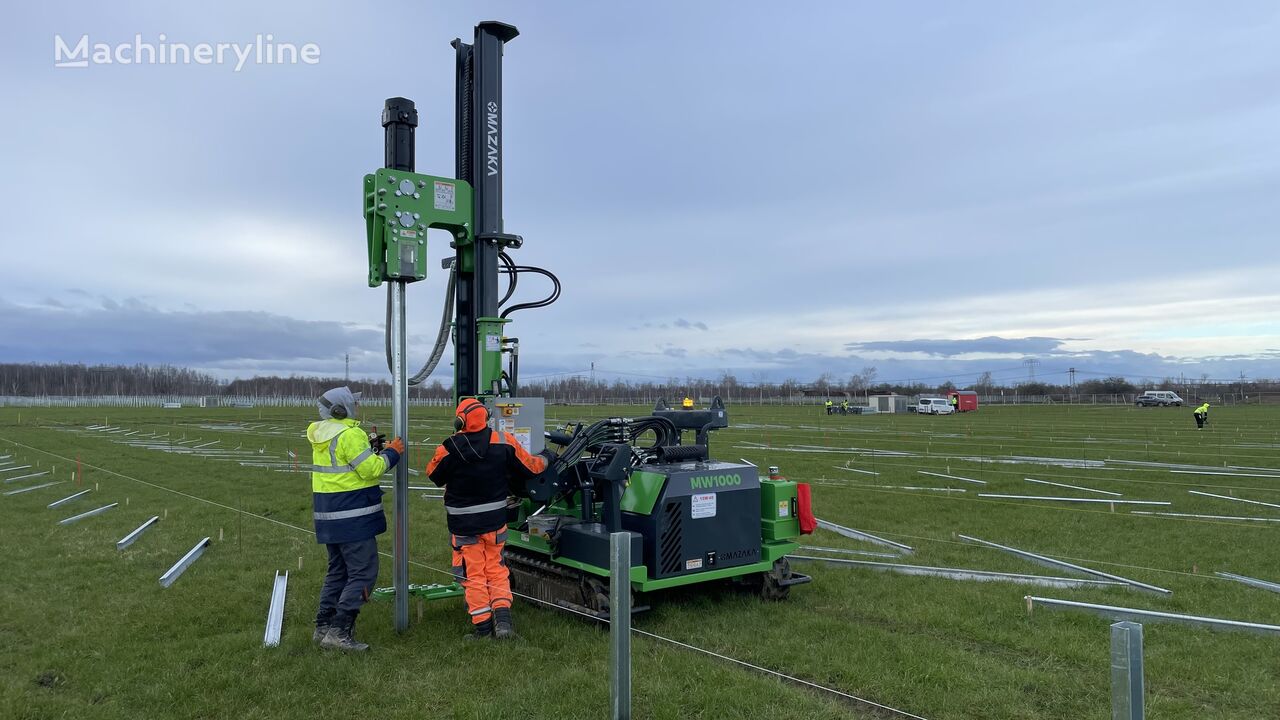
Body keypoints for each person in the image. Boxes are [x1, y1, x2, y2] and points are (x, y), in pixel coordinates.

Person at [427, 398, 552, 640]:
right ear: (486, 417)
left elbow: (433, 475)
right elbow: (533, 467)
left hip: (464, 527)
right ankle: (503, 622)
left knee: (473, 575)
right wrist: (547, 457)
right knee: (496, 569)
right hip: (495, 523)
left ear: (460, 421)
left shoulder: (448, 448)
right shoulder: (504, 441)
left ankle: (483, 628)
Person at [308, 386, 404, 652]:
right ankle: (339, 631)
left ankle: (323, 626)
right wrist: (392, 452)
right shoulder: (350, 434)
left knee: (338, 572)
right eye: (354, 404)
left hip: (329, 517)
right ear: (342, 409)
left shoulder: (324, 433)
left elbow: (346, 466)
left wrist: (370, 450)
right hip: (353, 517)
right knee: (364, 573)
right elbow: (371, 470)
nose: (357, 408)